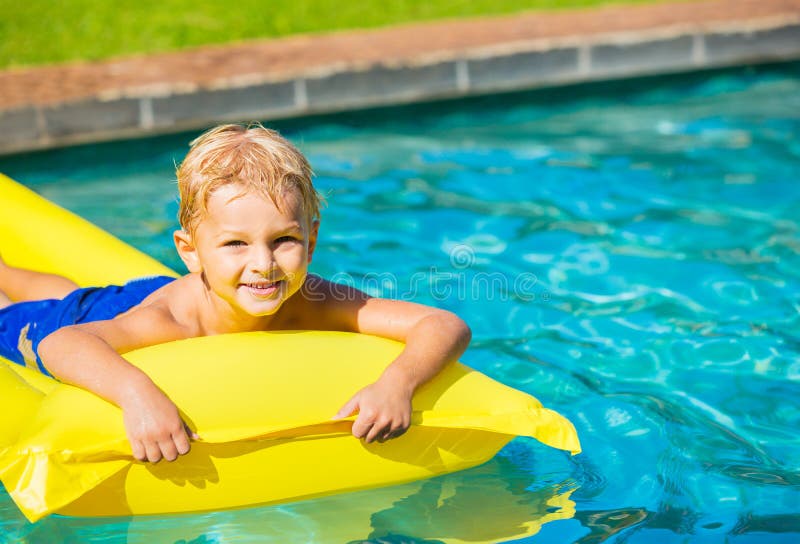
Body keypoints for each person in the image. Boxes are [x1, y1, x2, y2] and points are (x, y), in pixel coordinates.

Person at [0, 123, 471, 464]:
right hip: (136, 306)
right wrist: (136, 392)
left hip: (171, 292)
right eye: (235, 244)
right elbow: (62, 343)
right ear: (190, 250)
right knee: (51, 314)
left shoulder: (317, 299)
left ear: (312, 237)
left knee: (76, 294)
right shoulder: (174, 323)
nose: (264, 264)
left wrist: (397, 383)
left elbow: (444, 324)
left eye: (283, 240)